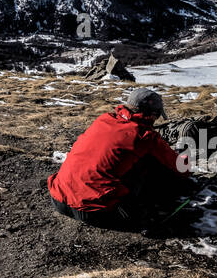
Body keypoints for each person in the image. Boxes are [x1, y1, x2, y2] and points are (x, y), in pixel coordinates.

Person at [48, 87, 200, 234]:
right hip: (92, 211)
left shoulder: (104, 119)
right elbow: (182, 169)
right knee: (152, 166)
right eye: (157, 115)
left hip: (58, 198)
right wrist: (183, 154)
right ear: (152, 114)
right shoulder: (145, 136)